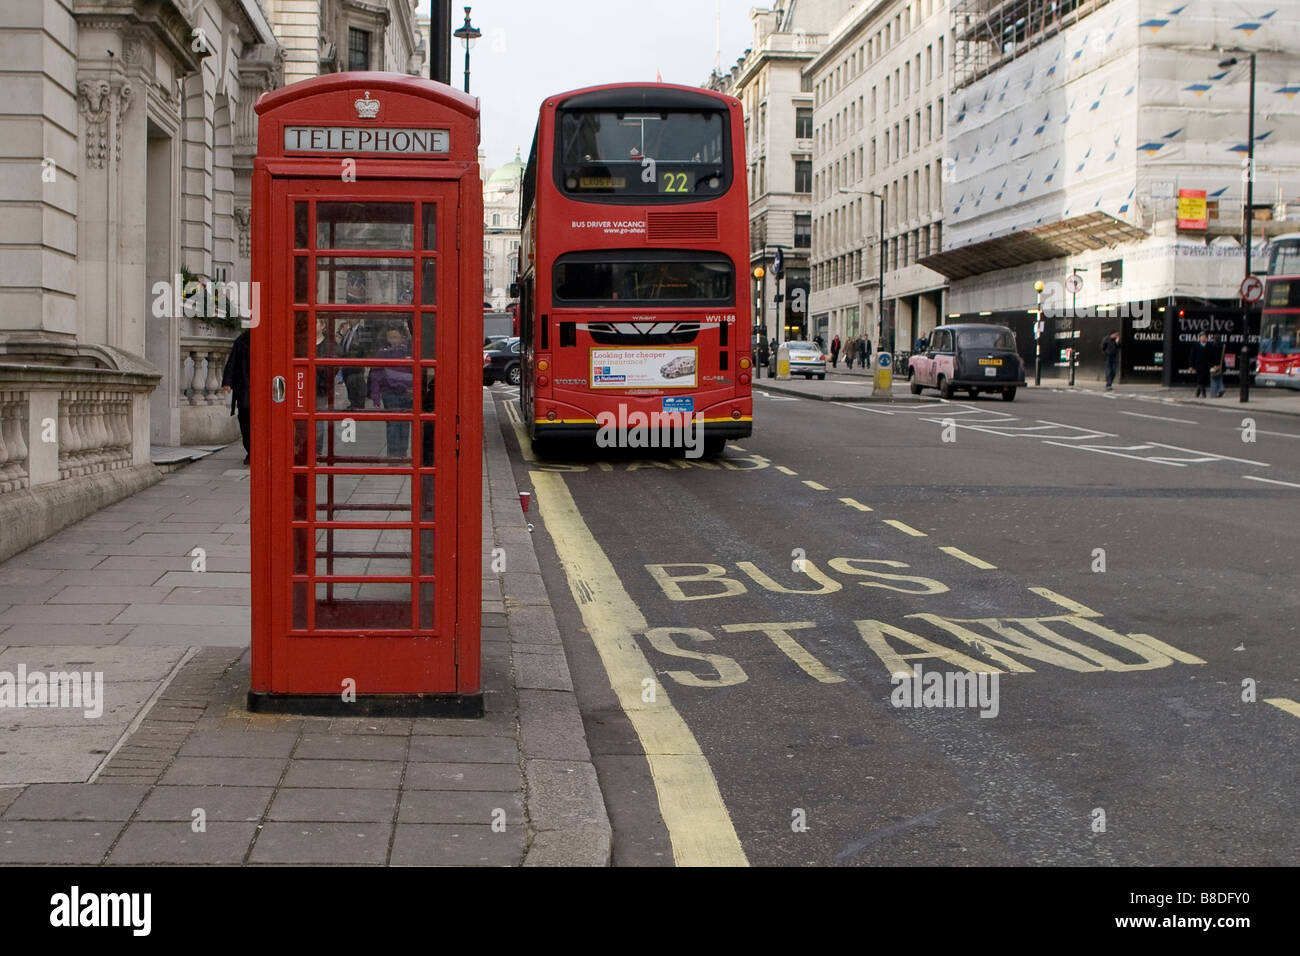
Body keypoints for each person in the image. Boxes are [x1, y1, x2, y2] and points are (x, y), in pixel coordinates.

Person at [370, 324, 414, 457]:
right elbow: (376, 376)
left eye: (395, 337)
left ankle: (402, 453)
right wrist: (375, 396)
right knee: (393, 424)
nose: (392, 340)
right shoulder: (383, 353)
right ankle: (393, 455)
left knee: (405, 425)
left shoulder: (409, 352)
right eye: (390, 337)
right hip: (389, 392)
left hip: (407, 392)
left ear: (402, 337)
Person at [220, 328, 250, 465]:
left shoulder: (272, 337)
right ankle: (250, 450)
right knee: (244, 420)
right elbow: (232, 362)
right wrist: (227, 382)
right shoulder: (242, 340)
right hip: (244, 388)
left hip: (264, 389)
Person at [1189, 331, 1216, 398]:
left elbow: (1212, 356)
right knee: (1200, 379)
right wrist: (1191, 366)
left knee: (1204, 380)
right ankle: (1204, 394)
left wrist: (1214, 365)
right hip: (1198, 365)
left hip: (1207, 366)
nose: (1204, 338)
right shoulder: (1196, 345)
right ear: (1199, 338)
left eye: (1205, 337)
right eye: (1202, 337)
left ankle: (1197, 392)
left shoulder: (1209, 345)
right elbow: (1192, 356)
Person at [1208, 334, 1226, 398]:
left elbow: (1211, 357)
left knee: (1213, 379)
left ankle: (1213, 394)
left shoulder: (1213, 346)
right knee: (1219, 378)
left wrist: (1213, 365)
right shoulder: (1223, 346)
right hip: (1221, 365)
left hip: (1214, 365)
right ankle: (1221, 388)